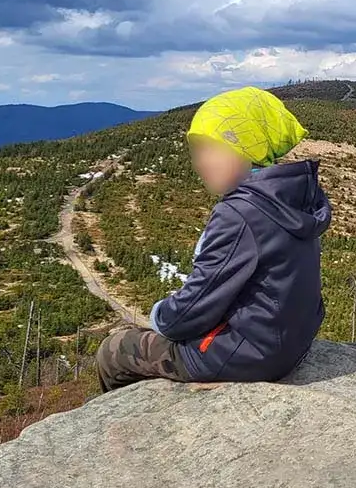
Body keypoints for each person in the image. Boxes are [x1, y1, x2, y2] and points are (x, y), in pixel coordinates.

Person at [96, 87, 331, 391]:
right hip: (288, 346)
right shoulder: (295, 197)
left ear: (245, 146)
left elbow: (198, 303)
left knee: (115, 349)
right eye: (195, 150)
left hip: (244, 355)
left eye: (208, 148)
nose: (198, 162)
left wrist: (161, 317)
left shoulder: (238, 213)